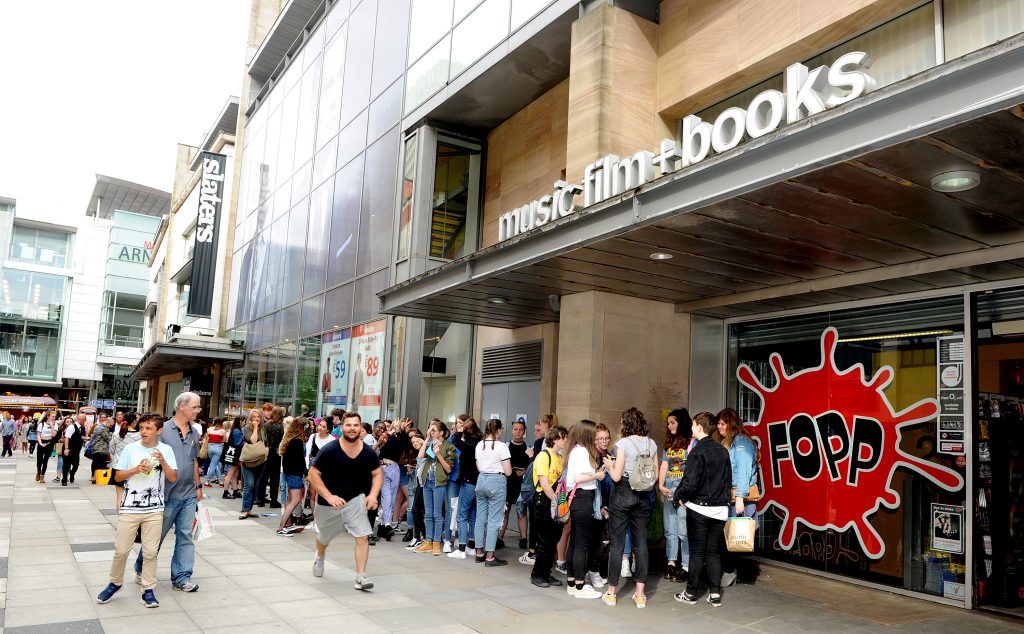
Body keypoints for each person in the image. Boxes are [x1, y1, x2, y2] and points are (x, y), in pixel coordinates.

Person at [96, 414, 178, 608]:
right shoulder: (130, 449)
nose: (143, 432)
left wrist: (163, 462)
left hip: (154, 509)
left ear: (159, 430)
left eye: (148, 428)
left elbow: (173, 477)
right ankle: (115, 583)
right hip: (130, 507)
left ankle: (148, 589)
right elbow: (117, 476)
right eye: (141, 428)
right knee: (121, 550)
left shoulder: (166, 450)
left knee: (150, 552)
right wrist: (135, 470)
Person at [132, 392, 204, 593]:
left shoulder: (195, 433)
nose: (198, 410)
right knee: (157, 537)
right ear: (182, 406)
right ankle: (140, 567)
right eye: (196, 407)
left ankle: (181, 577)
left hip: (188, 494)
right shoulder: (162, 430)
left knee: (186, 535)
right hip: (165, 494)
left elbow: (194, 460)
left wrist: (198, 486)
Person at [307, 412, 382, 590]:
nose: (352, 429)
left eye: (356, 425)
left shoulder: (368, 452)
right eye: (348, 425)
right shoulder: (330, 450)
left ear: (361, 428)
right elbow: (312, 475)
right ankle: (320, 556)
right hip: (328, 503)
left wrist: (372, 495)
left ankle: (361, 577)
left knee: (363, 536)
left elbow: (378, 473)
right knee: (324, 538)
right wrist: (329, 496)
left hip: (355, 499)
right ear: (342, 428)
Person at [601, 407, 659, 609]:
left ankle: (611, 593)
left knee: (617, 544)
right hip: (644, 495)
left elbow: (616, 476)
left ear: (625, 423)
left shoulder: (622, 444)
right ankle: (641, 595)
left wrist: (609, 464)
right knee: (641, 544)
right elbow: (655, 475)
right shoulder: (652, 444)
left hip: (623, 493)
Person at [674, 411, 732, 608]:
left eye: (692, 425)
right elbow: (727, 481)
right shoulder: (722, 450)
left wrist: (681, 497)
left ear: (699, 426)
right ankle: (715, 594)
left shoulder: (697, 451)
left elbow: (690, 482)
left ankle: (691, 593)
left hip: (699, 508)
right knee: (713, 552)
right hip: (720, 509)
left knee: (697, 552)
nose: (691, 428)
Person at [716, 407, 758, 588]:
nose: (719, 427)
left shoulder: (740, 443)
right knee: (730, 535)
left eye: (723, 423)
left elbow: (743, 471)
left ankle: (730, 570)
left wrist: (740, 497)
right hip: (730, 497)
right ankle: (731, 570)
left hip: (738, 497)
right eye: (718, 423)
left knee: (735, 536)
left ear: (731, 423)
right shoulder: (731, 442)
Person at [467, 419, 510, 565]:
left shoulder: (480, 444)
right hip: (496, 481)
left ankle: (479, 553)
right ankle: (490, 556)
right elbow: (508, 471)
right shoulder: (502, 446)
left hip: (481, 480)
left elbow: (479, 467)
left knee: (480, 518)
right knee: (494, 520)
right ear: (498, 430)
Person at [530, 424, 568, 588]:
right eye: (564, 437)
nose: (566, 440)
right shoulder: (544, 456)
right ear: (556, 438)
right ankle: (537, 574)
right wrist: (556, 501)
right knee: (545, 540)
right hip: (544, 501)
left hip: (555, 500)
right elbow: (544, 484)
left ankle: (546, 572)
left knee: (553, 539)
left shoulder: (560, 458)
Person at [659, 408, 693, 582]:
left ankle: (686, 565)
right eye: (668, 423)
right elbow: (664, 464)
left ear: (681, 422)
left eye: (673, 422)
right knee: (669, 527)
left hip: (683, 489)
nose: (669, 426)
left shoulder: (690, 443)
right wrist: (661, 484)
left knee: (683, 528)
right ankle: (671, 562)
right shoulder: (669, 443)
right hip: (669, 488)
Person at [413, 420, 455, 555]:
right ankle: (428, 541)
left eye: (433, 430)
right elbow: (420, 456)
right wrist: (426, 438)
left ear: (441, 433)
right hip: (427, 482)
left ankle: (437, 542)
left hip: (439, 483)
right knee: (428, 514)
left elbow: (448, 469)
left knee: (437, 514)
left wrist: (438, 455)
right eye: (430, 430)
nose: (431, 433)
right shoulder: (431, 444)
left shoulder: (449, 447)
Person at [449, 416, 481, 556]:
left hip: (468, 482)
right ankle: (472, 547)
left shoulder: (468, 445)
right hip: (477, 482)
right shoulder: (479, 443)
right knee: (473, 515)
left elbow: (455, 441)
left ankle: (461, 549)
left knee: (462, 515)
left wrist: (459, 431)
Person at [376, 417, 412, 540]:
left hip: (395, 468)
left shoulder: (402, 438)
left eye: (400, 425)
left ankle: (383, 524)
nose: (397, 426)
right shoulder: (387, 437)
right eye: (397, 424)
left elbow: (405, 447)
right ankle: (387, 525)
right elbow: (383, 450)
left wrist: (402, 431)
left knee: (391, 498)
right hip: (383, 469)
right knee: (386, 496)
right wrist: (392, 432)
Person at [501, 419, 530, 550]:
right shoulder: (505, 446)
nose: (518, 432)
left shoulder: (528, 448)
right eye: (515, 429)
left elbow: (532, 466)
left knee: (521, 511)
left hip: (522, 484)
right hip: (507, 483)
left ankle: (523, 538)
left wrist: (525, 471)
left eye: (521, 429)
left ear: (524, 432)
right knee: (505, 512)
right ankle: (499, 537)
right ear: (512, 430)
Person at [278, 416, 310, 535]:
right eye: (306, 426)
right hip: (294, 474)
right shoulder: (297, 441)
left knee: (290, 499)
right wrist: (306, 473)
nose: (307, 428)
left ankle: (288, 524)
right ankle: (282, 527)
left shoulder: (290, 439)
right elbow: (300, 460)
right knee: (295, 500)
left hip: (288, 473)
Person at [239, 408, 268, 519]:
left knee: (255, 485)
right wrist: (255, 428)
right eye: (254, 417)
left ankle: (249, 509)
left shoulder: (263, 429)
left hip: (261, 461)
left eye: (258, 417)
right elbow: (253, 440)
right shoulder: (246, 429)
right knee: (249, 485)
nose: (256, 419)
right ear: (250, 419)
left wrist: (267, 450)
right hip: (248, 461)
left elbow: (265, 442)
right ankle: (245, 509)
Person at [110, 414, 142, 510]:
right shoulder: (139, 435)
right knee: (135, 494)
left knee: (120, 496)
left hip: (118, 467)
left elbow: (111, 450)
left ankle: (121, 519)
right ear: (134, 421)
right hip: (134, 468)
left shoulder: (116, 434)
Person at [257, 406, 285, 508]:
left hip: (266, 452)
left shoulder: (266, 425)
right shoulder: (281, 426)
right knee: (274, 477)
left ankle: (260, 498)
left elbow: (263, 439)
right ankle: (273, 500)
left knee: (264, 476)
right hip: (276, 454)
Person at [221, 417, 244, 499]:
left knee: (234, 473)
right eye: (243, 421)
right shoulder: (237, 431)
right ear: (240, 421)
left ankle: (234, 491)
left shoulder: (234, 430)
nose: (244, 423)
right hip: (235, 454)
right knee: (231, 473)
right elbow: (239, 443)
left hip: (232, 453)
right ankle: (225, 492)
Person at [62, 413, 86, 486]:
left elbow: (79, 436)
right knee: (66, 465)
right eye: (84, 419)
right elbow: (67, 437)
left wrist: (86, 438)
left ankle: (72, 473)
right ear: (79, 419)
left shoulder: (82, 427)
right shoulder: (71, 427)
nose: (85, 420)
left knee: (76, 465)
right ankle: (64, 480)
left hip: (76, 450)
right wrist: (66, 449)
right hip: (69, 449)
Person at [89, 414, 113, 483]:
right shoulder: (103, 429)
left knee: (97, 464)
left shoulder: (98, 426)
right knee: (100, 465)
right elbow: (108, 438)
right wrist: (112, 434)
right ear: (107, 422)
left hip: (97, 449)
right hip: (101, 449)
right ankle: (98, 479)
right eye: (110, 425)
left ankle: (95, 478)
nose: (110, 427)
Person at [34, 412, 57, 483]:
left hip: (49, 443)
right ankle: (38, 471)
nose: (54, 418)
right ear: (48, 416)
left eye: (55, 417)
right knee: (39, 460)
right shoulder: (42, 424)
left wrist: (52, 426)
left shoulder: (55, 424)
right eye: (53, 416)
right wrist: (40, 443)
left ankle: (42, 475)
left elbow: (54, 435)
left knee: (45, 460)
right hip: (41, 442)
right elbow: (38, 435)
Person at [205, 418, 225, 485]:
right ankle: (207, 481)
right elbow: (224, 440)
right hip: (218, 447)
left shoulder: (209, 429)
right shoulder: (222, 431)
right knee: (213, 464)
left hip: (209, 447)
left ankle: (220, 480)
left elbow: (206, 438)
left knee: (214, 464)